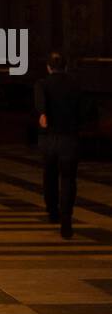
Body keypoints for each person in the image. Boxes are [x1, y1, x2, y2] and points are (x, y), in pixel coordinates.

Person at [34, 51, 91, 240]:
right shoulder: (76, 85)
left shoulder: (42, 84)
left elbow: (40, 106)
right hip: (69, 137)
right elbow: (85, 112)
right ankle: (66, 219)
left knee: (49, 175)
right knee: (68, 179)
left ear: (48, 67)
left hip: (49, 138)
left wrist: (43, 114)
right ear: (65, 67)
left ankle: (52, 211)